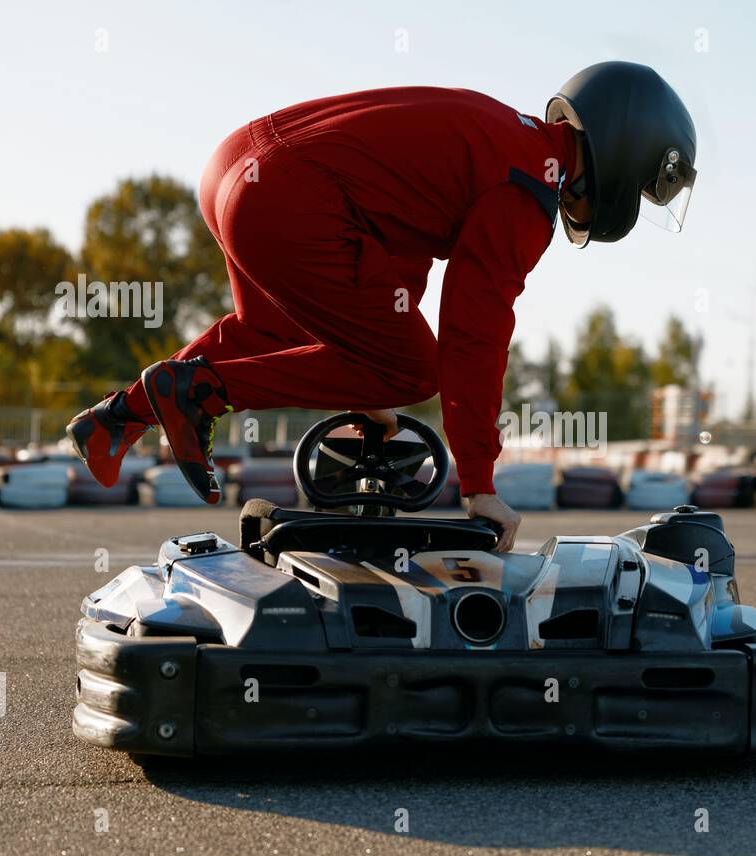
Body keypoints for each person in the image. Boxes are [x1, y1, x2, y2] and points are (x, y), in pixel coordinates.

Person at [66, 61, 697, 551]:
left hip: (238, 168)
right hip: (291, 197)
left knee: (270, 333)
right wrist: (478, 484)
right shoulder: (527, 189)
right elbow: (472, 336)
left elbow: (394, 280)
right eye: (645, 186)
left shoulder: (504, 137)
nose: (634, 204)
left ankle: (116, 419)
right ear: (625, 148)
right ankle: (202, 390)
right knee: (413, 372)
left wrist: (366, 389)